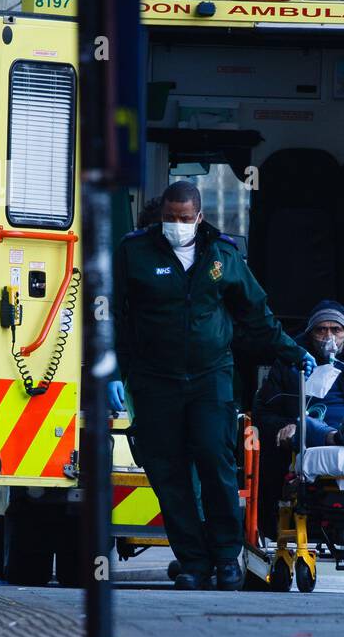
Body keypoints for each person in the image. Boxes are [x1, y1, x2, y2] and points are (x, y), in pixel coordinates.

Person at [111, 181, 314, 590]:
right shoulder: (134, 253)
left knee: (214, 460)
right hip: (155, 382)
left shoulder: (223, 254)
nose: (177, 225)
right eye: (170, 218)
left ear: (199, 217)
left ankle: (226, 557)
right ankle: (192, 562)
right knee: (168, 474)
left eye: (185, 219)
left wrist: (291, 351)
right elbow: (111, 315)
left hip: (209, 378)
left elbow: (256, 313)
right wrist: (113, 371)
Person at [254, 300, 344, 537]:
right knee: (306, 424)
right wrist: (285, 426)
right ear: (310, 334)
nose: (329, 336)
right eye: (321, 329)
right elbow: (263, 411)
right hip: (310, 433)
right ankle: (339, 436)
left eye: (336, 330)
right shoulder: (289, 366)